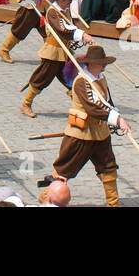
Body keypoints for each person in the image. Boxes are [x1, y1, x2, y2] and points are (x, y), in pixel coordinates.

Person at [39, 45, 129, 207]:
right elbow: (92, 107)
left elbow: (107, 102)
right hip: (81, 134)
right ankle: (47, 199)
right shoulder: (81, 82)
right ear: (91, 64)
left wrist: (118, 117)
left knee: (108, 168)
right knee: (63, 170)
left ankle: (113, 204)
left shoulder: (100, 78)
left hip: (101, 133)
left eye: (104, 62)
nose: (104, 65)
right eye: (101, 63)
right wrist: (115, 119)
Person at [21, 0, 94, 119]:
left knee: (71, 78)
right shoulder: (53, 11)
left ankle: (80, 106)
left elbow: (71, 25)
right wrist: (82, 35)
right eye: (68, 0)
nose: (70, 3)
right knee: (42, 78)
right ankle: (26, 103)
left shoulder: (66, 10)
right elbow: (63, 29)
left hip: (64, 52)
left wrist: (81, 35)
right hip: (53, 52)